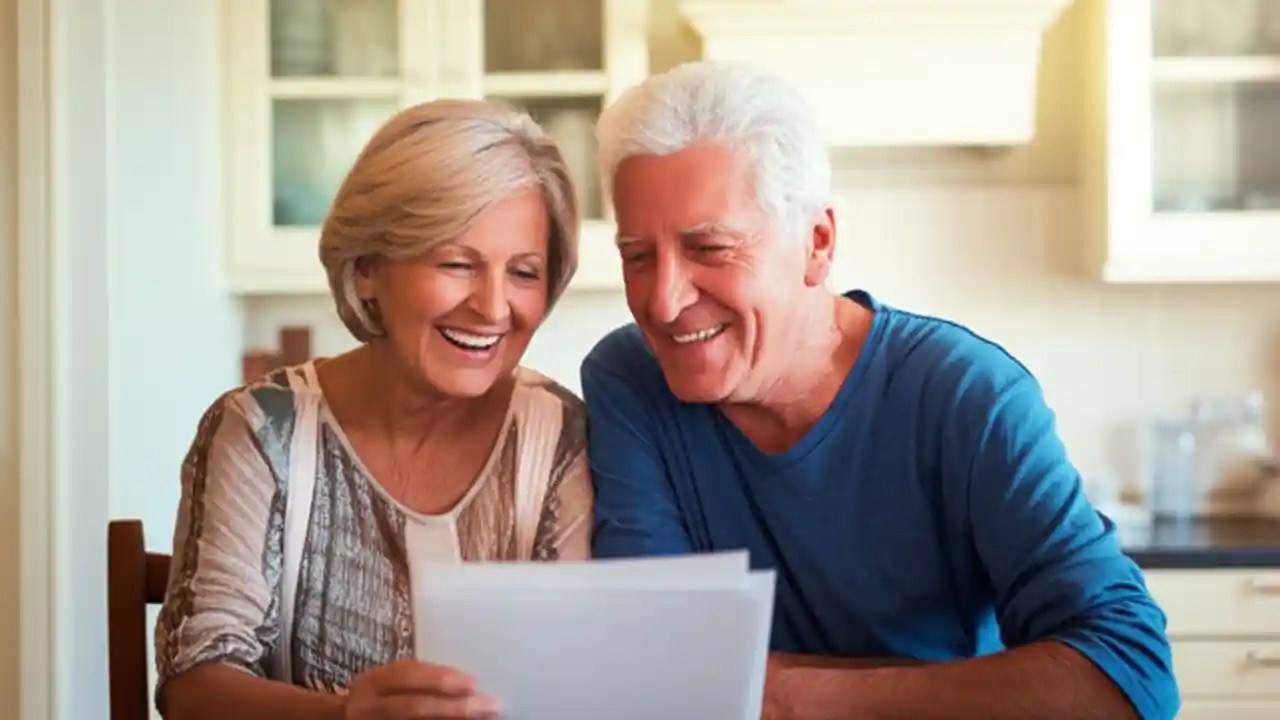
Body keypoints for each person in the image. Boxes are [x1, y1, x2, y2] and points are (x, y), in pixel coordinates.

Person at [582, 61, 1180, 720]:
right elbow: (657, 662)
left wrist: (781, 693)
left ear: (817, 242)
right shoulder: (631, 380)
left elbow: (1129, 677)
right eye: (638, 256)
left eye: (711, 249)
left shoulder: (968, 396)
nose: (663, 302)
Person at [155, 99, 589, 720]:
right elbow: (191, 685)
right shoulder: (263, 430)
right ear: (365, 272)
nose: (494, 308)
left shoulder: (557, 438)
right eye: (457, 264)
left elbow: (575, 677)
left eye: (523, 272)